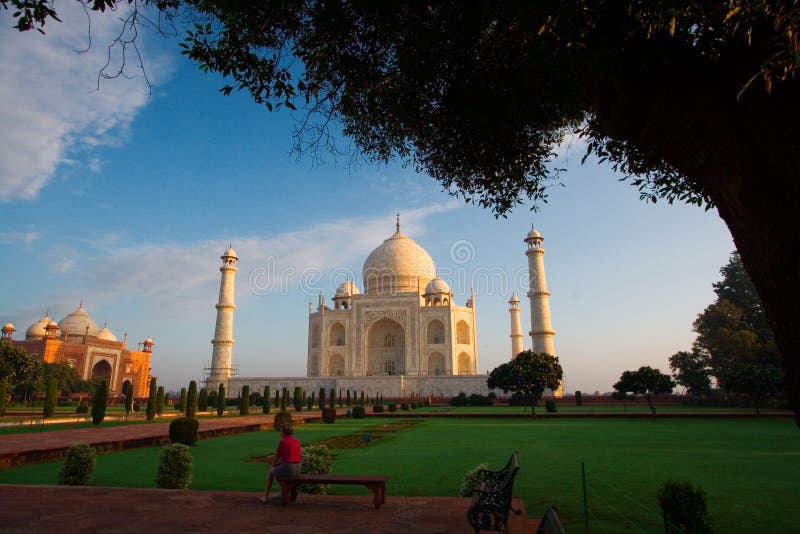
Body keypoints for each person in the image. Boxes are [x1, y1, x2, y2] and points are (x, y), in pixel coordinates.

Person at [260, 422, 302, 503]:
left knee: (271, 471)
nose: (280, 433)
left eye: (281, 431)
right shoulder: (296, 440)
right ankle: (282, 491)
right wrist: (278, 464)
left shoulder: (283, 442)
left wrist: (273, 465)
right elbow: (290, 456)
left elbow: (276, 457)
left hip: (289, 467)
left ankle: (265, 496)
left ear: (284, 432)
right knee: (278, 469)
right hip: (298, 467)